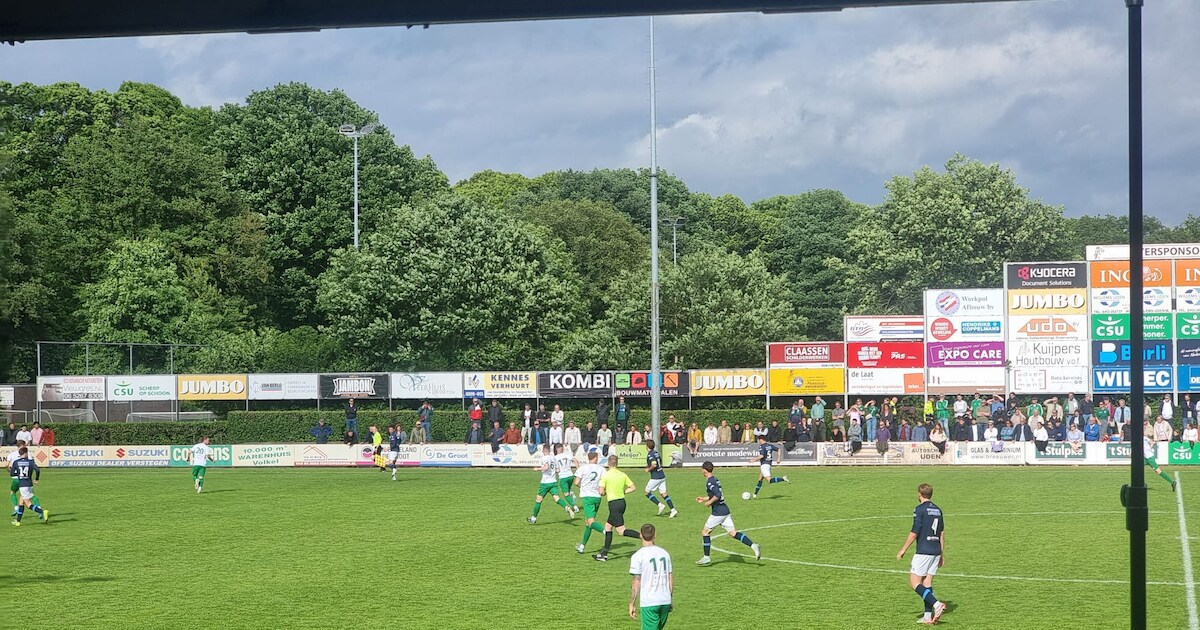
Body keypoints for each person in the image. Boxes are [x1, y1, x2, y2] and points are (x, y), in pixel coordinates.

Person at [896, 483, 947, 625]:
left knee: (914, 583)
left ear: (920, 494)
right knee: (927, 583)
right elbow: (941, 533)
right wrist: (942, 554)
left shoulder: (919, 510)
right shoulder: (938, 510)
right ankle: (927, 616)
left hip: (924, 551)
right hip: (935, 550)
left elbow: (914, 532)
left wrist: (903, 549)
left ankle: (937, 605)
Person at [695, 461, 760, 565]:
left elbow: (718, 495)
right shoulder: (715, 480)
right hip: (725, 511)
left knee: (705, 532)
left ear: (704, 470)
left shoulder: (710, 482)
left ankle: (706, 557)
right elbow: (715, 494)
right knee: (733, 533)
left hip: (718, 512)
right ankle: (753, 545)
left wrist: (709, 503)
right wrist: (703, 498)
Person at [594, 455, 643, 562]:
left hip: (613, 504)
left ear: (608, 463)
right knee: (608, 526)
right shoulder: (622, 474)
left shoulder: (606, 476)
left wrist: (605, 492)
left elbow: (601, 492)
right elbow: (633, 488)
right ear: (617, 463)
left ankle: (643, 537)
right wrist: (623, 492)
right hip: (622, 502)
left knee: (621, 530)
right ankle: (604, 553)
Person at [628, 523, 673, 630]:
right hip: (665, 601)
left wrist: (631, 603)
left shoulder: (638, 556)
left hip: (650, 603)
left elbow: (636, 582)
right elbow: (670, 579)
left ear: (641, 535)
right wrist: (670, 598)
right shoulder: (665, 554)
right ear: (655, 535)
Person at [528, 443, 575, 524]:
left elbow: (546, 467)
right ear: (549, 450)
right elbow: (557, 470)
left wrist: (537, 469)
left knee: (538, 500)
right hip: (553, 482)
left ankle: (534, 518)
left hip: (545, 483)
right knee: (557, 498)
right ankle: (566, 507)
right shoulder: (554, 458)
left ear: (543, 450)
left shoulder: (544, 458)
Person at [575, 450, 608, 553]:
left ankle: (606, 531)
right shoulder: (602, 469)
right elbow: (605, 482)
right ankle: (582, 546)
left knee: (591, 521)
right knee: (588, 523)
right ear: (596, 458)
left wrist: (583, 486)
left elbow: (576, 482)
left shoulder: (583, 468)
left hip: (588, 497)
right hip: (597, 497)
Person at [9, 447, 47, 526]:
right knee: (21, 502)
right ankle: (18, 521)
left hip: (22, 485)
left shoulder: (16, 462)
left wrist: (19, 474)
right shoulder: (30, 462)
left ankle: (42, 512)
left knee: (28, 504)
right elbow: (37, 470)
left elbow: (12, 473)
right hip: (29, 484)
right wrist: (36, 479)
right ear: (26, 453)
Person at [643, 440, 678, 518]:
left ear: (647, 446)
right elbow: (660, 462)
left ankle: (660, 505)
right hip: (662, 475)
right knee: (663, 494)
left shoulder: (650, 454)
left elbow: (654, 464)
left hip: (656, 477)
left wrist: (648, 469)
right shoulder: (656, 452)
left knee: (646, 492)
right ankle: (673, 510)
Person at [1144, 422, 1177, 491]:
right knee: (1137, 468)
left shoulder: (1143, 438)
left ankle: (1172, 482)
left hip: (1149, 458)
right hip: (1145, 457)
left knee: (1158, 471)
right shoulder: (1143, 438)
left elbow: (1151, 442)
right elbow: (1151, 442)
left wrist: (1150, 447)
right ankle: (1141, 484)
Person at [554, 443, 580, 511]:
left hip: (563, 477)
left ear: (556, 449)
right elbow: (575, 460)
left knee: (566, 494)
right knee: (567, 490)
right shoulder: (567, 455)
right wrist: (578, 470)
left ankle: (575, 507)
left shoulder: (555, 458)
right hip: (571, 476)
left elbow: (557, 469)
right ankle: (572, 495)